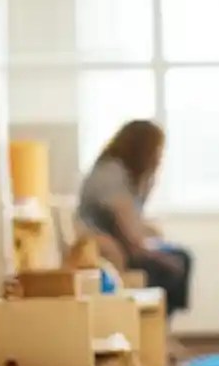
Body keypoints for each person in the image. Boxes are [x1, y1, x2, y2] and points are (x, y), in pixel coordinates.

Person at [76, 120, 193, 322]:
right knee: (174, 264)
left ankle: (162, 331)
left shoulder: (122, 172)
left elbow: (133, 221)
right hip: (110, 251)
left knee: (178, 258)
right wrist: (160, 256)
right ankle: (158, 329)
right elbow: (131, 234)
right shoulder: (111, 174)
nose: (159, 157)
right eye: (157, 151)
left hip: (121, 246)